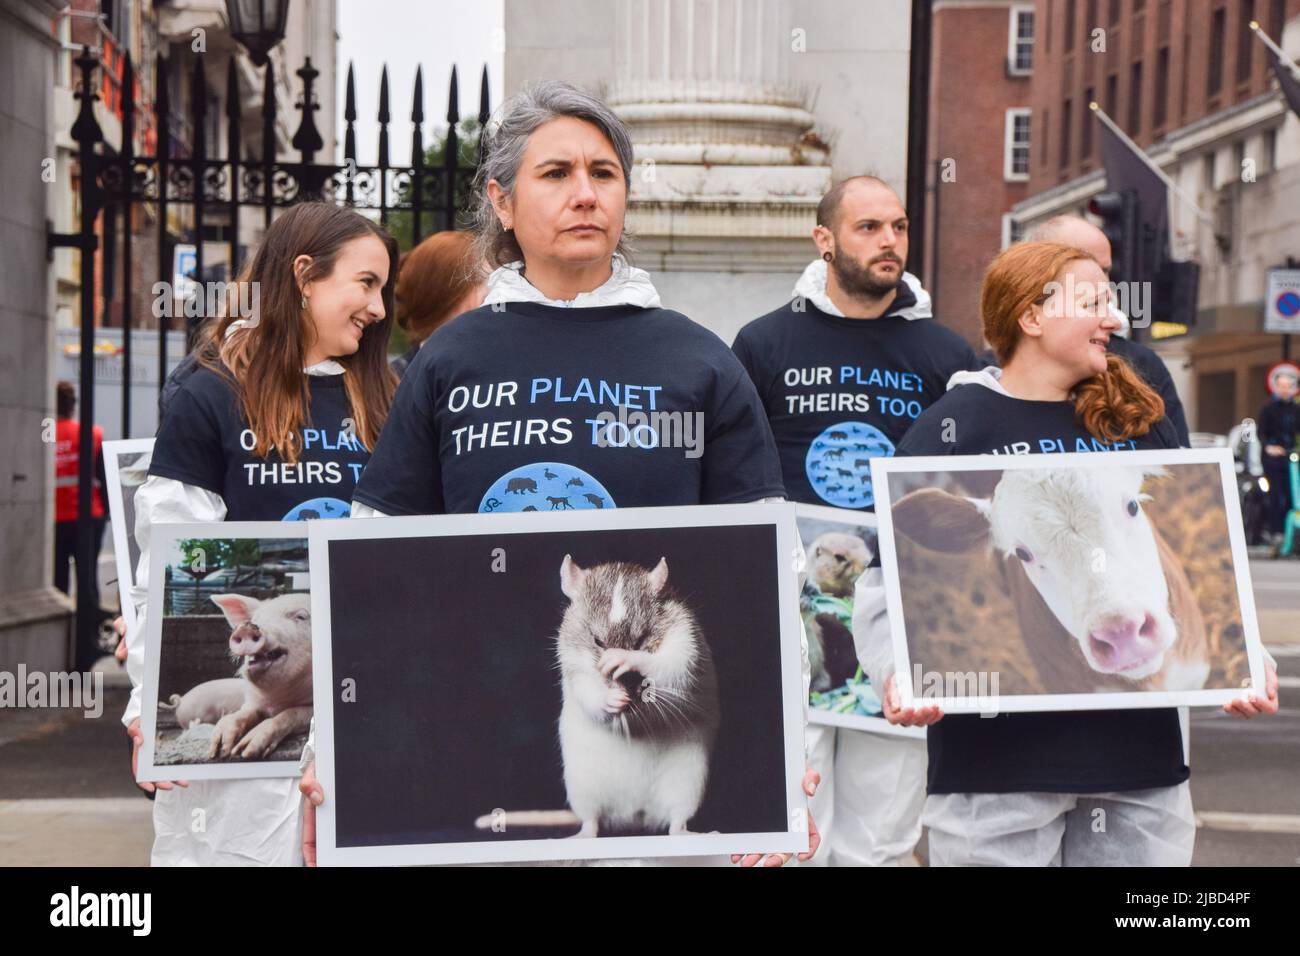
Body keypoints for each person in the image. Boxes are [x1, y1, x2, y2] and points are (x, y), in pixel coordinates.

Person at [297, 80, 819, 867]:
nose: (585, 193)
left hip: (659, 788)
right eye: (557, 173)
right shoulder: (450, 359)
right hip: (475, 770)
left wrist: (790, 775)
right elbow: (372, 569)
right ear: (501, 202)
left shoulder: (698, 360)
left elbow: (774, 569)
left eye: (604, 174)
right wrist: (329, 755)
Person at [852, 241, 1280, 866]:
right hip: (995, 768)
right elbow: (880, 580)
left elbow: (1209, 545)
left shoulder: (1140, 420)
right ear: (1032, 316)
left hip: (1139, 766)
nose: (1114, 318)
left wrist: (1248, 661)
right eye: (1094, 302)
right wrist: (898, 671)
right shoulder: (954, 424)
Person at [120, 201, 399, 866]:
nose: (380, 308)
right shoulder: (209, 391)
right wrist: (141, 704)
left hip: (366, 717)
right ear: (304, 275)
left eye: (384, 288)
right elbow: (168, 564)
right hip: (249, 759)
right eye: (366, 283)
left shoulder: (392, 391)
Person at [731, 175, 977, 865]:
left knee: (881, 840)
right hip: (785, 620)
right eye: (869, 227)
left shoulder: (948, 357)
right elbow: (728, 473)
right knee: (788, 831)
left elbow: (964, 487)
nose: (889, 241)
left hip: (901, 620)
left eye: (897, 227)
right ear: (825, 239)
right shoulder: (763, 343)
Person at [1027, 215, 1190, 446]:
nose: (1102, 282)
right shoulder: (983, 391)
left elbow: (1178, 470)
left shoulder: (1143, 365)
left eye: (1106, 271)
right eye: (1084, 265)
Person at [54, 380, 111, 669]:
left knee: (58, 583)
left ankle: (58, 647)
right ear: (74, 404)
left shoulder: (45, 436)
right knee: (88, 581)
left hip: (55, 520)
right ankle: (88, 647)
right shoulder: (91, 433)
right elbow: (103, 478)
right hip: (88, 518)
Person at [388, 231, 487, 378]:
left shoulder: (497, 373)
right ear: (445, 293)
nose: (490, 292)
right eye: (480, 280)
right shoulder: (393, 386)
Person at [1259, 365, 1300, 542]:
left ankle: (1293, 532)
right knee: (1276, 495)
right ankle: (1276, 532)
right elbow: (1262, 433)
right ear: (1276, 387)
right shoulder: (1268, 408)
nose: (1285, 389)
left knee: (1293, 495)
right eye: (1282, 386)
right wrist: (1270, 447)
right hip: (1273, 460)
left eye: (1288, 386)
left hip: (1292, 459)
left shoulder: (1295, 408)